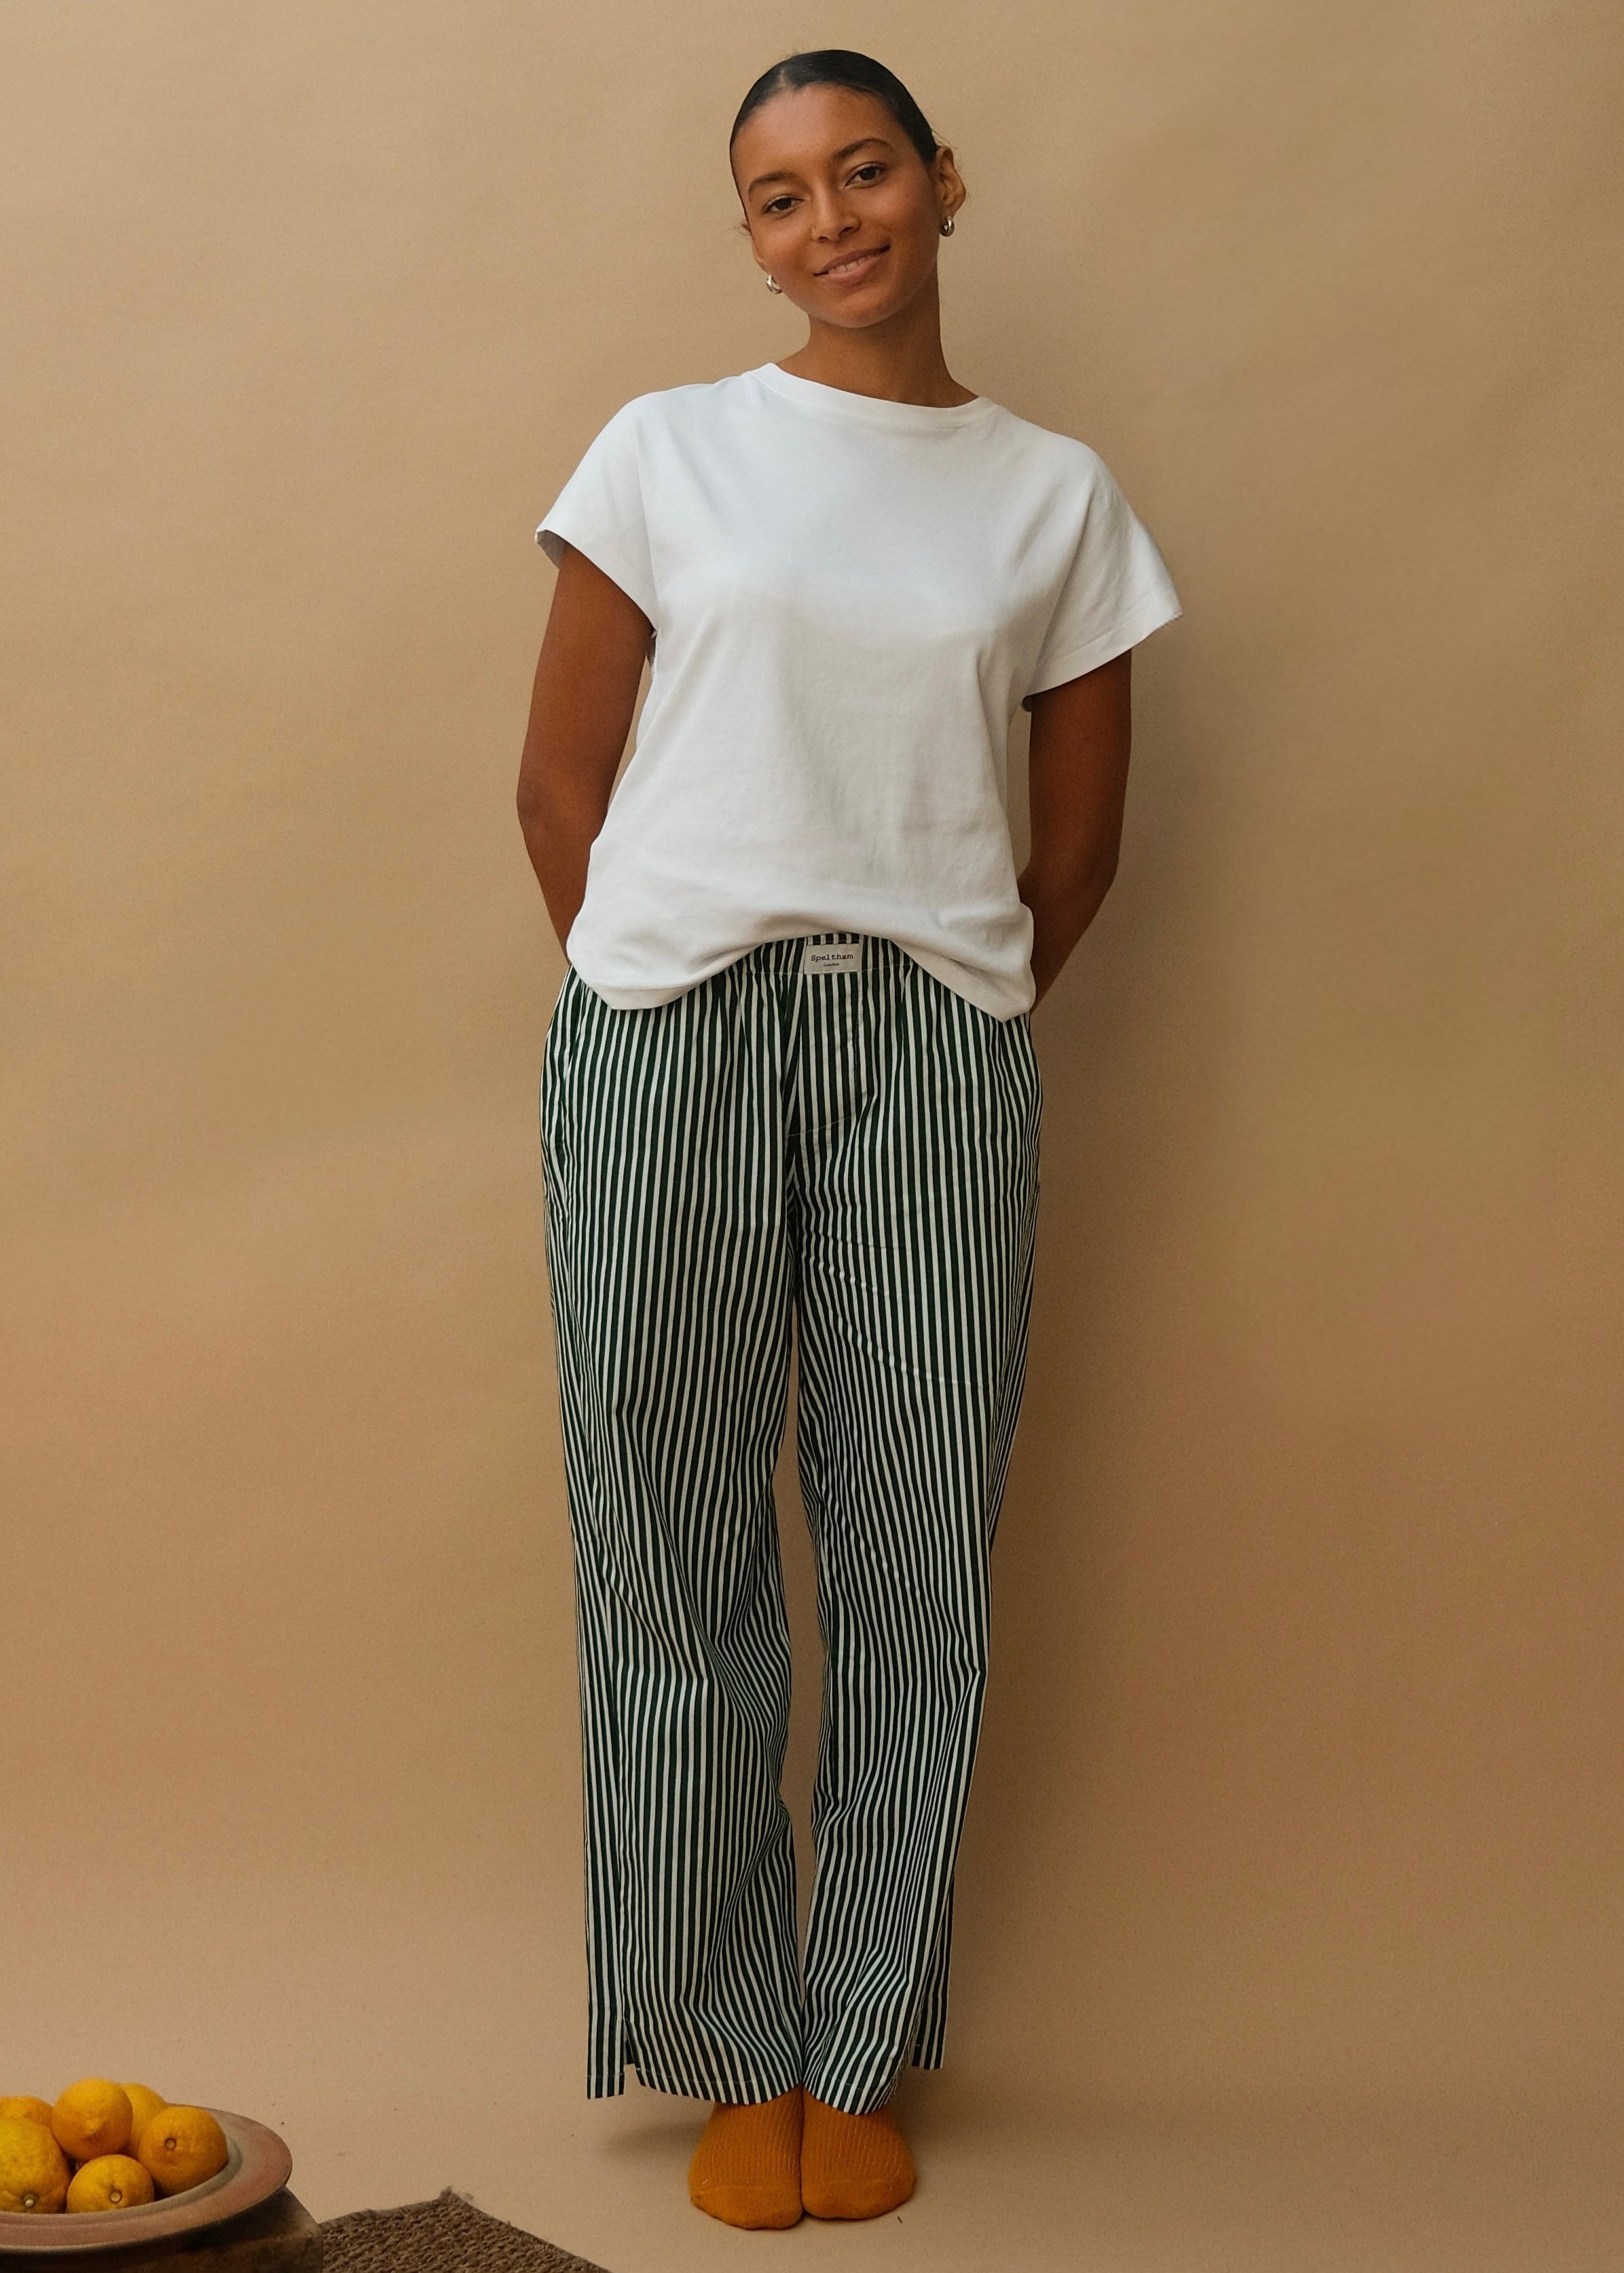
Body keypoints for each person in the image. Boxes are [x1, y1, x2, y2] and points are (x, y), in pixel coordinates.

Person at [515, 48, 1181, 2232]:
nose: (832, 221)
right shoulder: (666, 448)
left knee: (919, 1560)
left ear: (941, 181)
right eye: (781, 195)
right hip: (669, 1037)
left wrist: (942, 1008)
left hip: (933, 1052)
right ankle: (731, 2044)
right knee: (674, 1552)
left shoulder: (1055, 498)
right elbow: (556, 782)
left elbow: (1076, 851)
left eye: (864, 170)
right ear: (754, 237)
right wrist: (648, 989)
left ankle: (857, 2040)